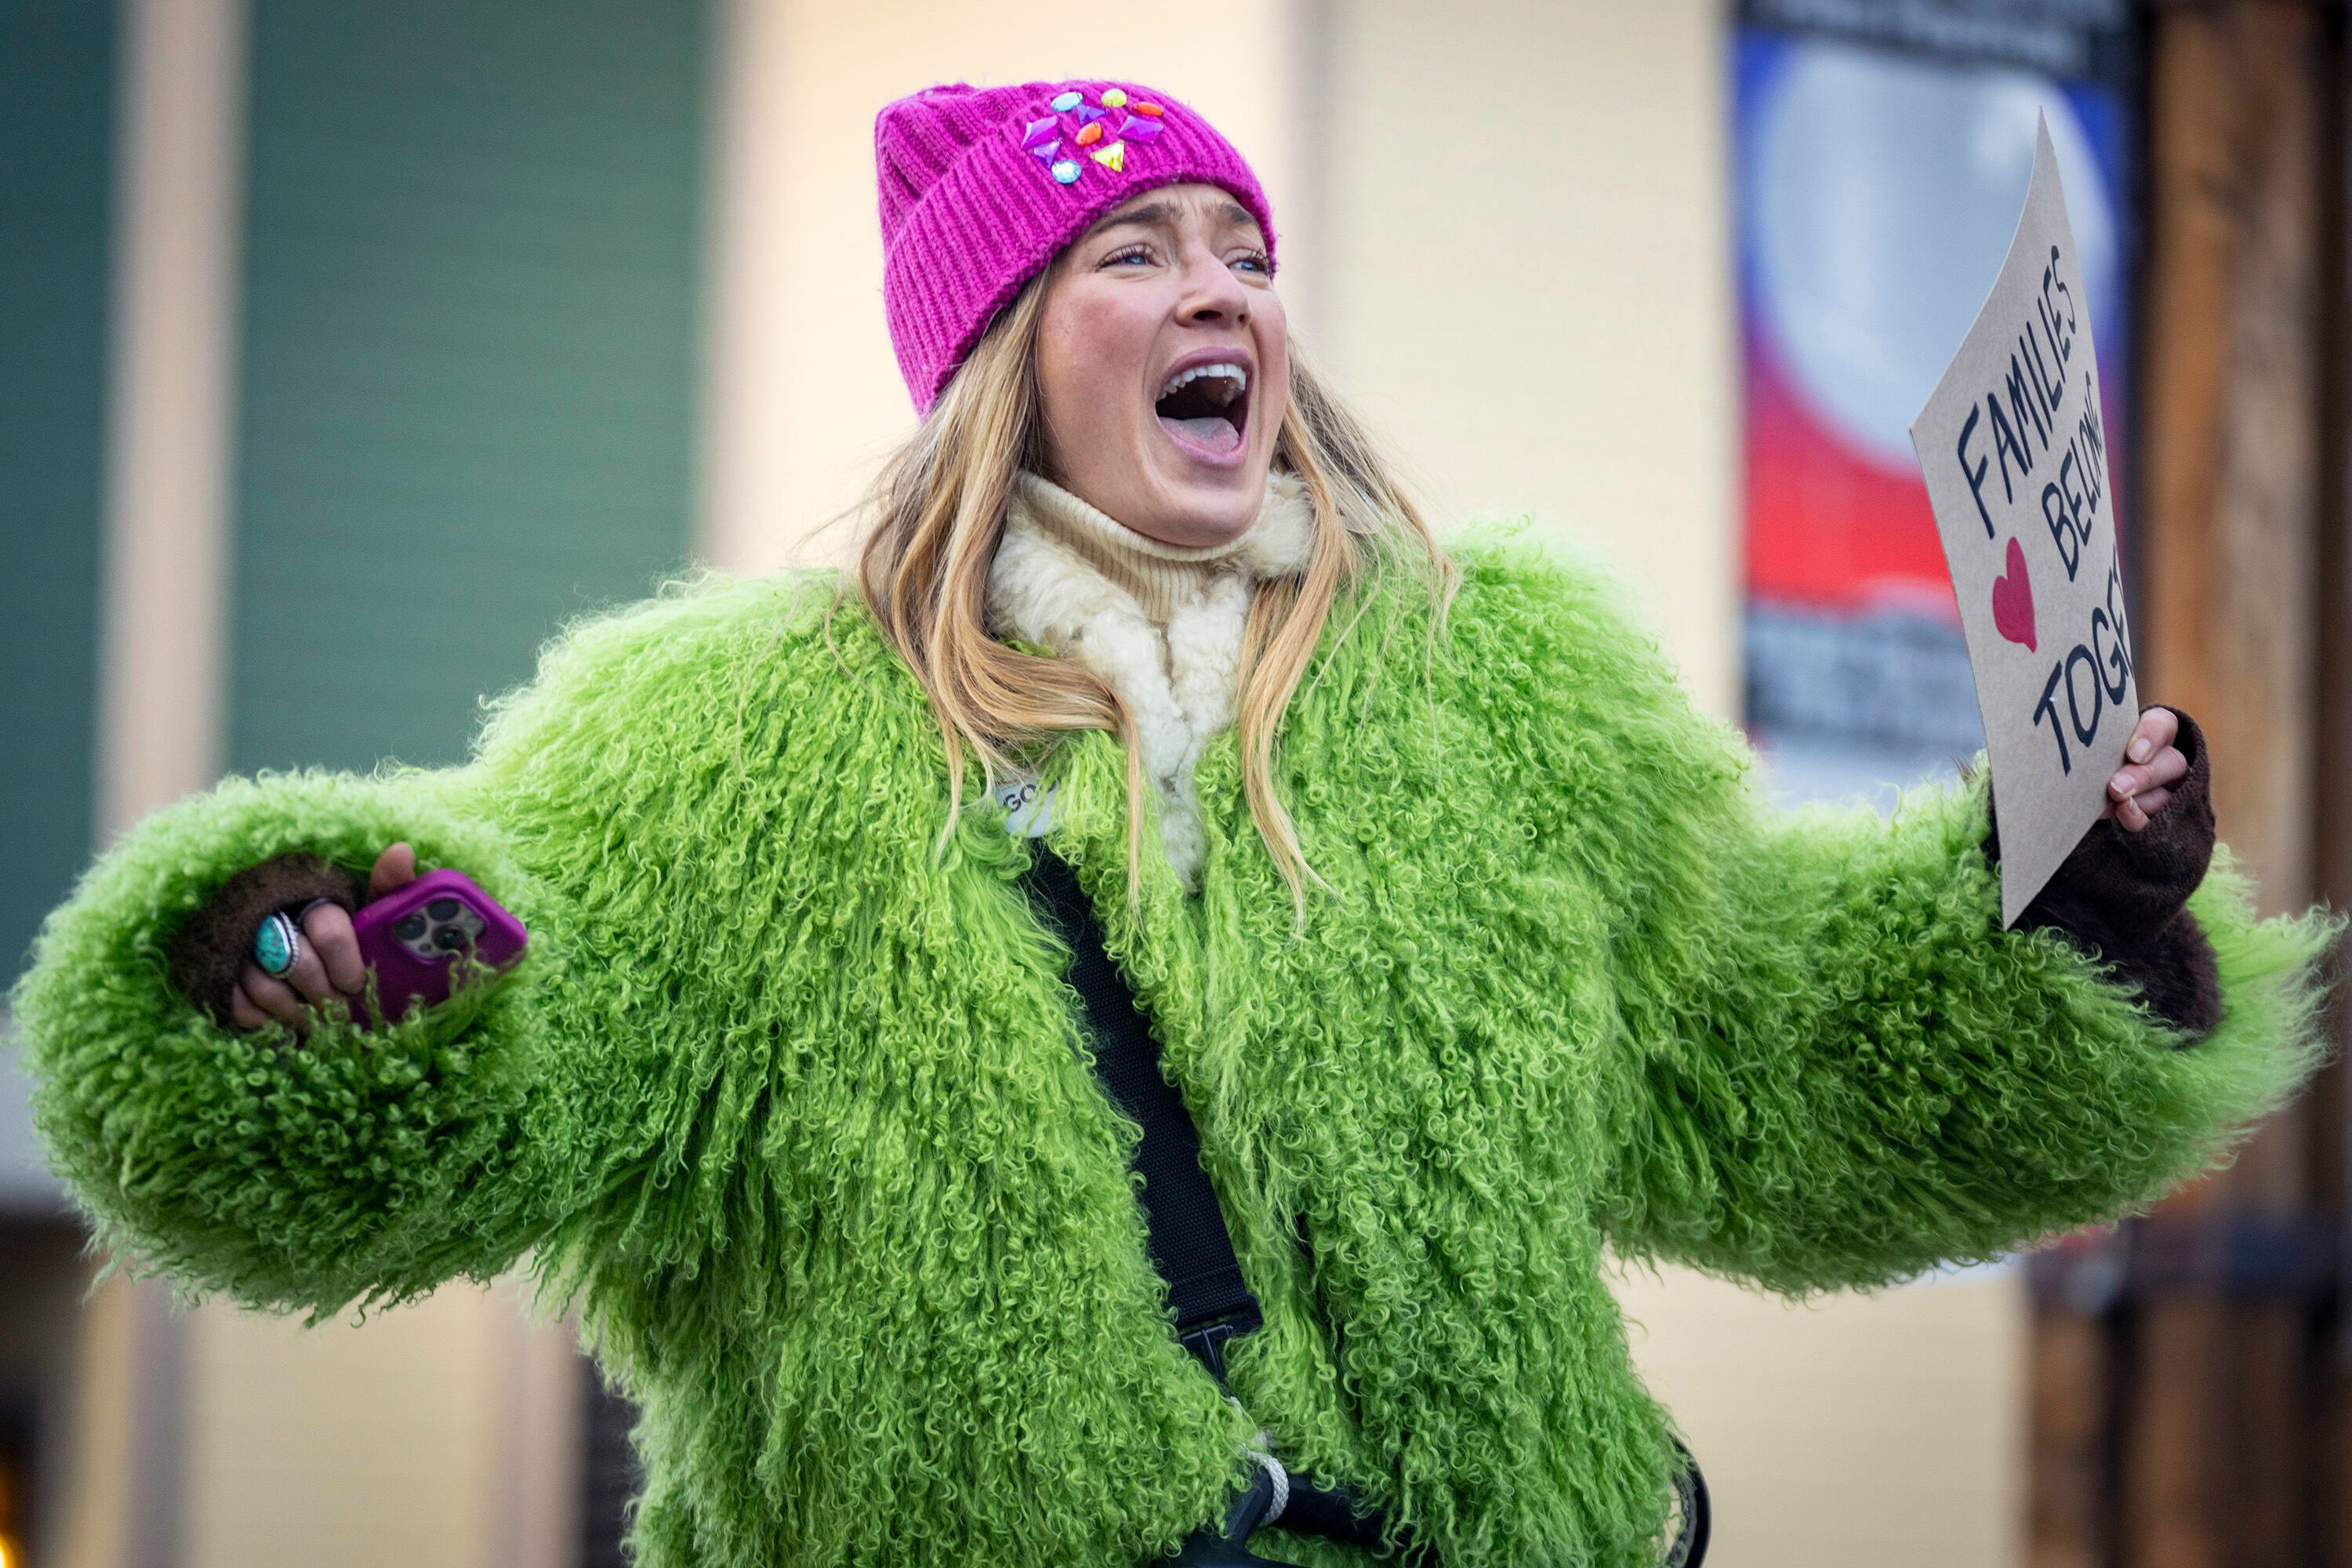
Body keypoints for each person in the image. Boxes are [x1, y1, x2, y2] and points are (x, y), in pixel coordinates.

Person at [15, 78, 2336, 1568]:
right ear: (1002, 351)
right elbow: (522, 1034)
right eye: (1135, 252)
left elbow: (1781, 1054)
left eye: (1242, 248)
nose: (1218, 283)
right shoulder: (726, 749)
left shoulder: (1497, 692)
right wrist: (307, 994)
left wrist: (2079, 901)